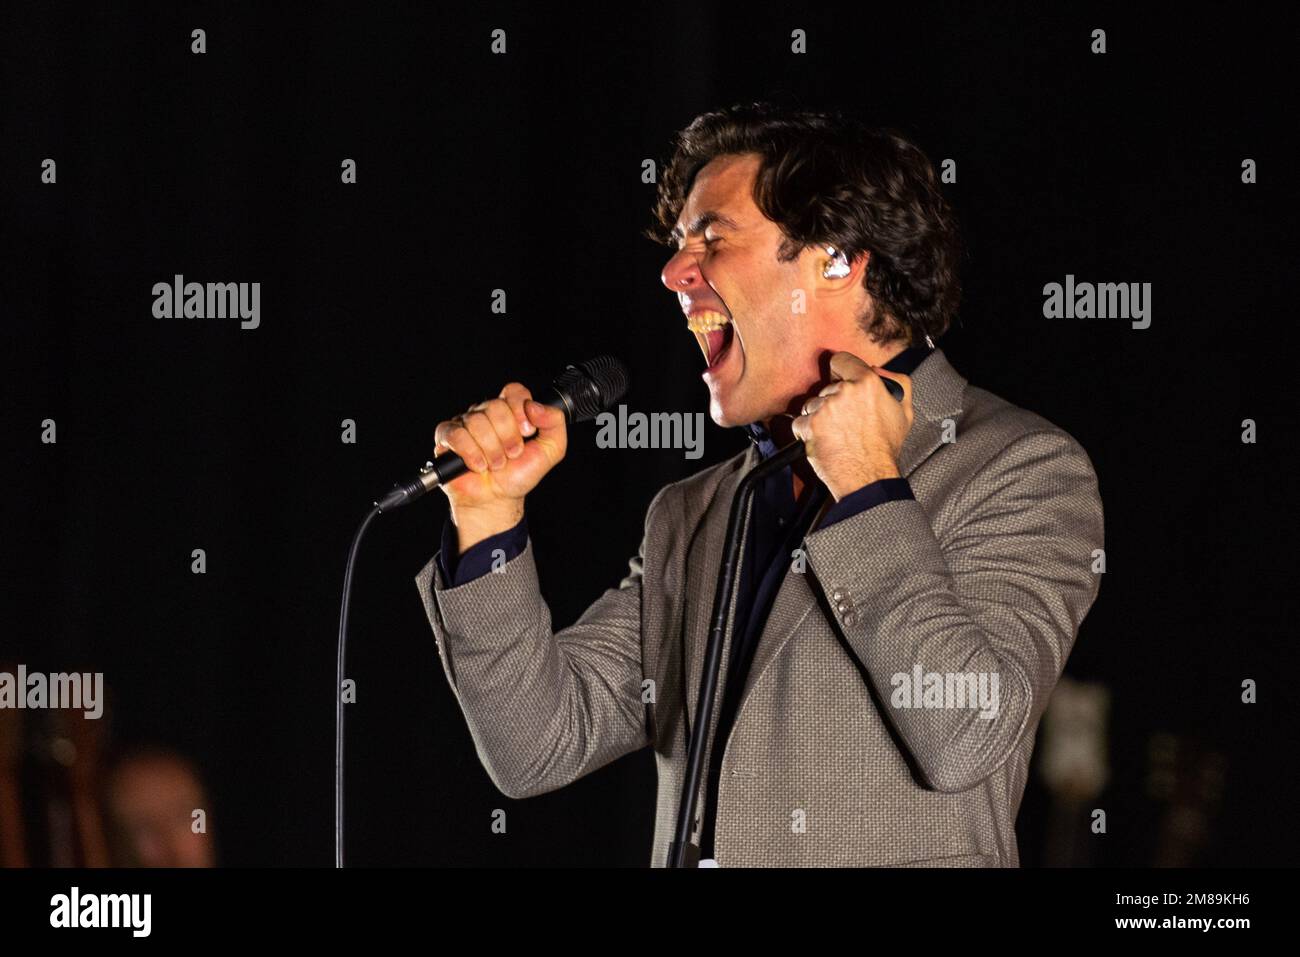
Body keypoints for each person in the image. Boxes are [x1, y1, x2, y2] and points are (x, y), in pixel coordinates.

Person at [414, 102, 1104, 867]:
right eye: (679, 244)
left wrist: (870, 484)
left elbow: (966, 734)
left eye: (712, 237)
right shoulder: (693, 510)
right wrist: (487, 518)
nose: (674, 271)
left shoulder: (1019, 466)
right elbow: (536, 745)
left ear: (837, 261)